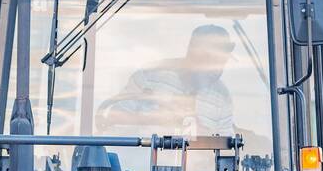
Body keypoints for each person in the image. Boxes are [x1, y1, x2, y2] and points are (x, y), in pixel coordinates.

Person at [96, 24, 236, 135]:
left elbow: (226, 149)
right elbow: (113, 122)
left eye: (222, 62)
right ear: (192, 52)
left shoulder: (221, 96)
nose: (218, 69)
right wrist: (157, 120)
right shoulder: (150, 75)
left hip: (195, 169)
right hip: (139, 166)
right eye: (211, 60)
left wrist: (202, 136)